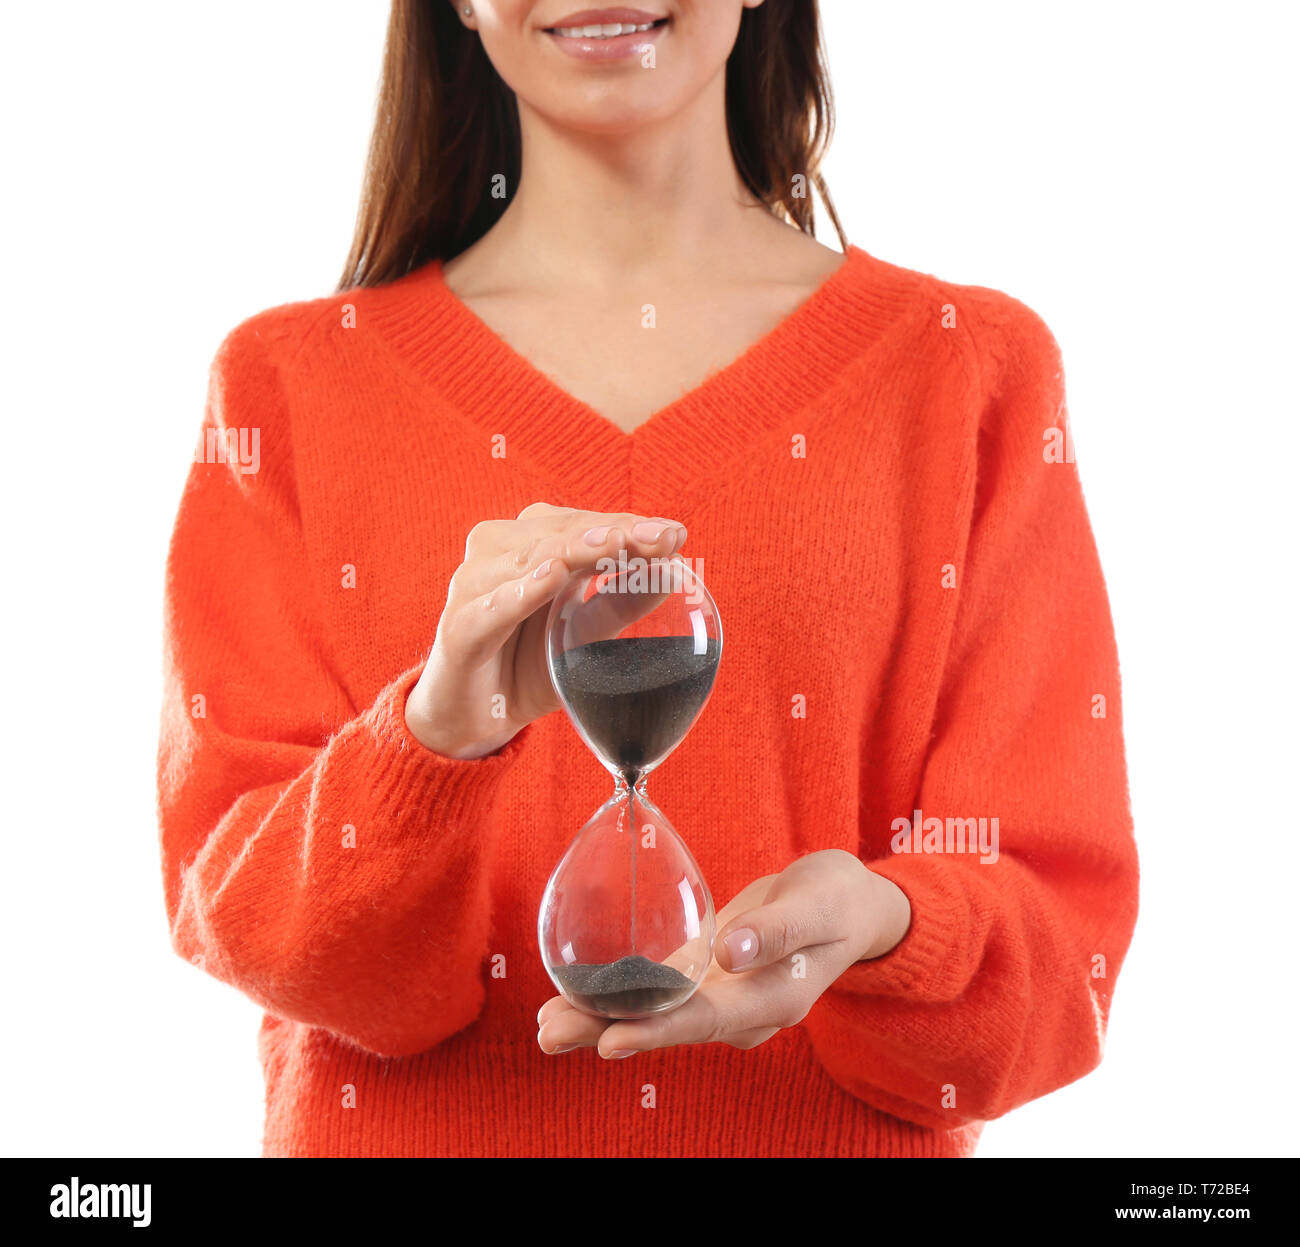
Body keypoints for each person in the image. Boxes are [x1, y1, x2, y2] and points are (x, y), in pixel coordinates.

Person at [157, 0, 1139, 1158]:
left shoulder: (967, 370)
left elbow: (1059, 967)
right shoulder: (287, 386)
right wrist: (431, 739)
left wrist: (891, 928)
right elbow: (254, 925)